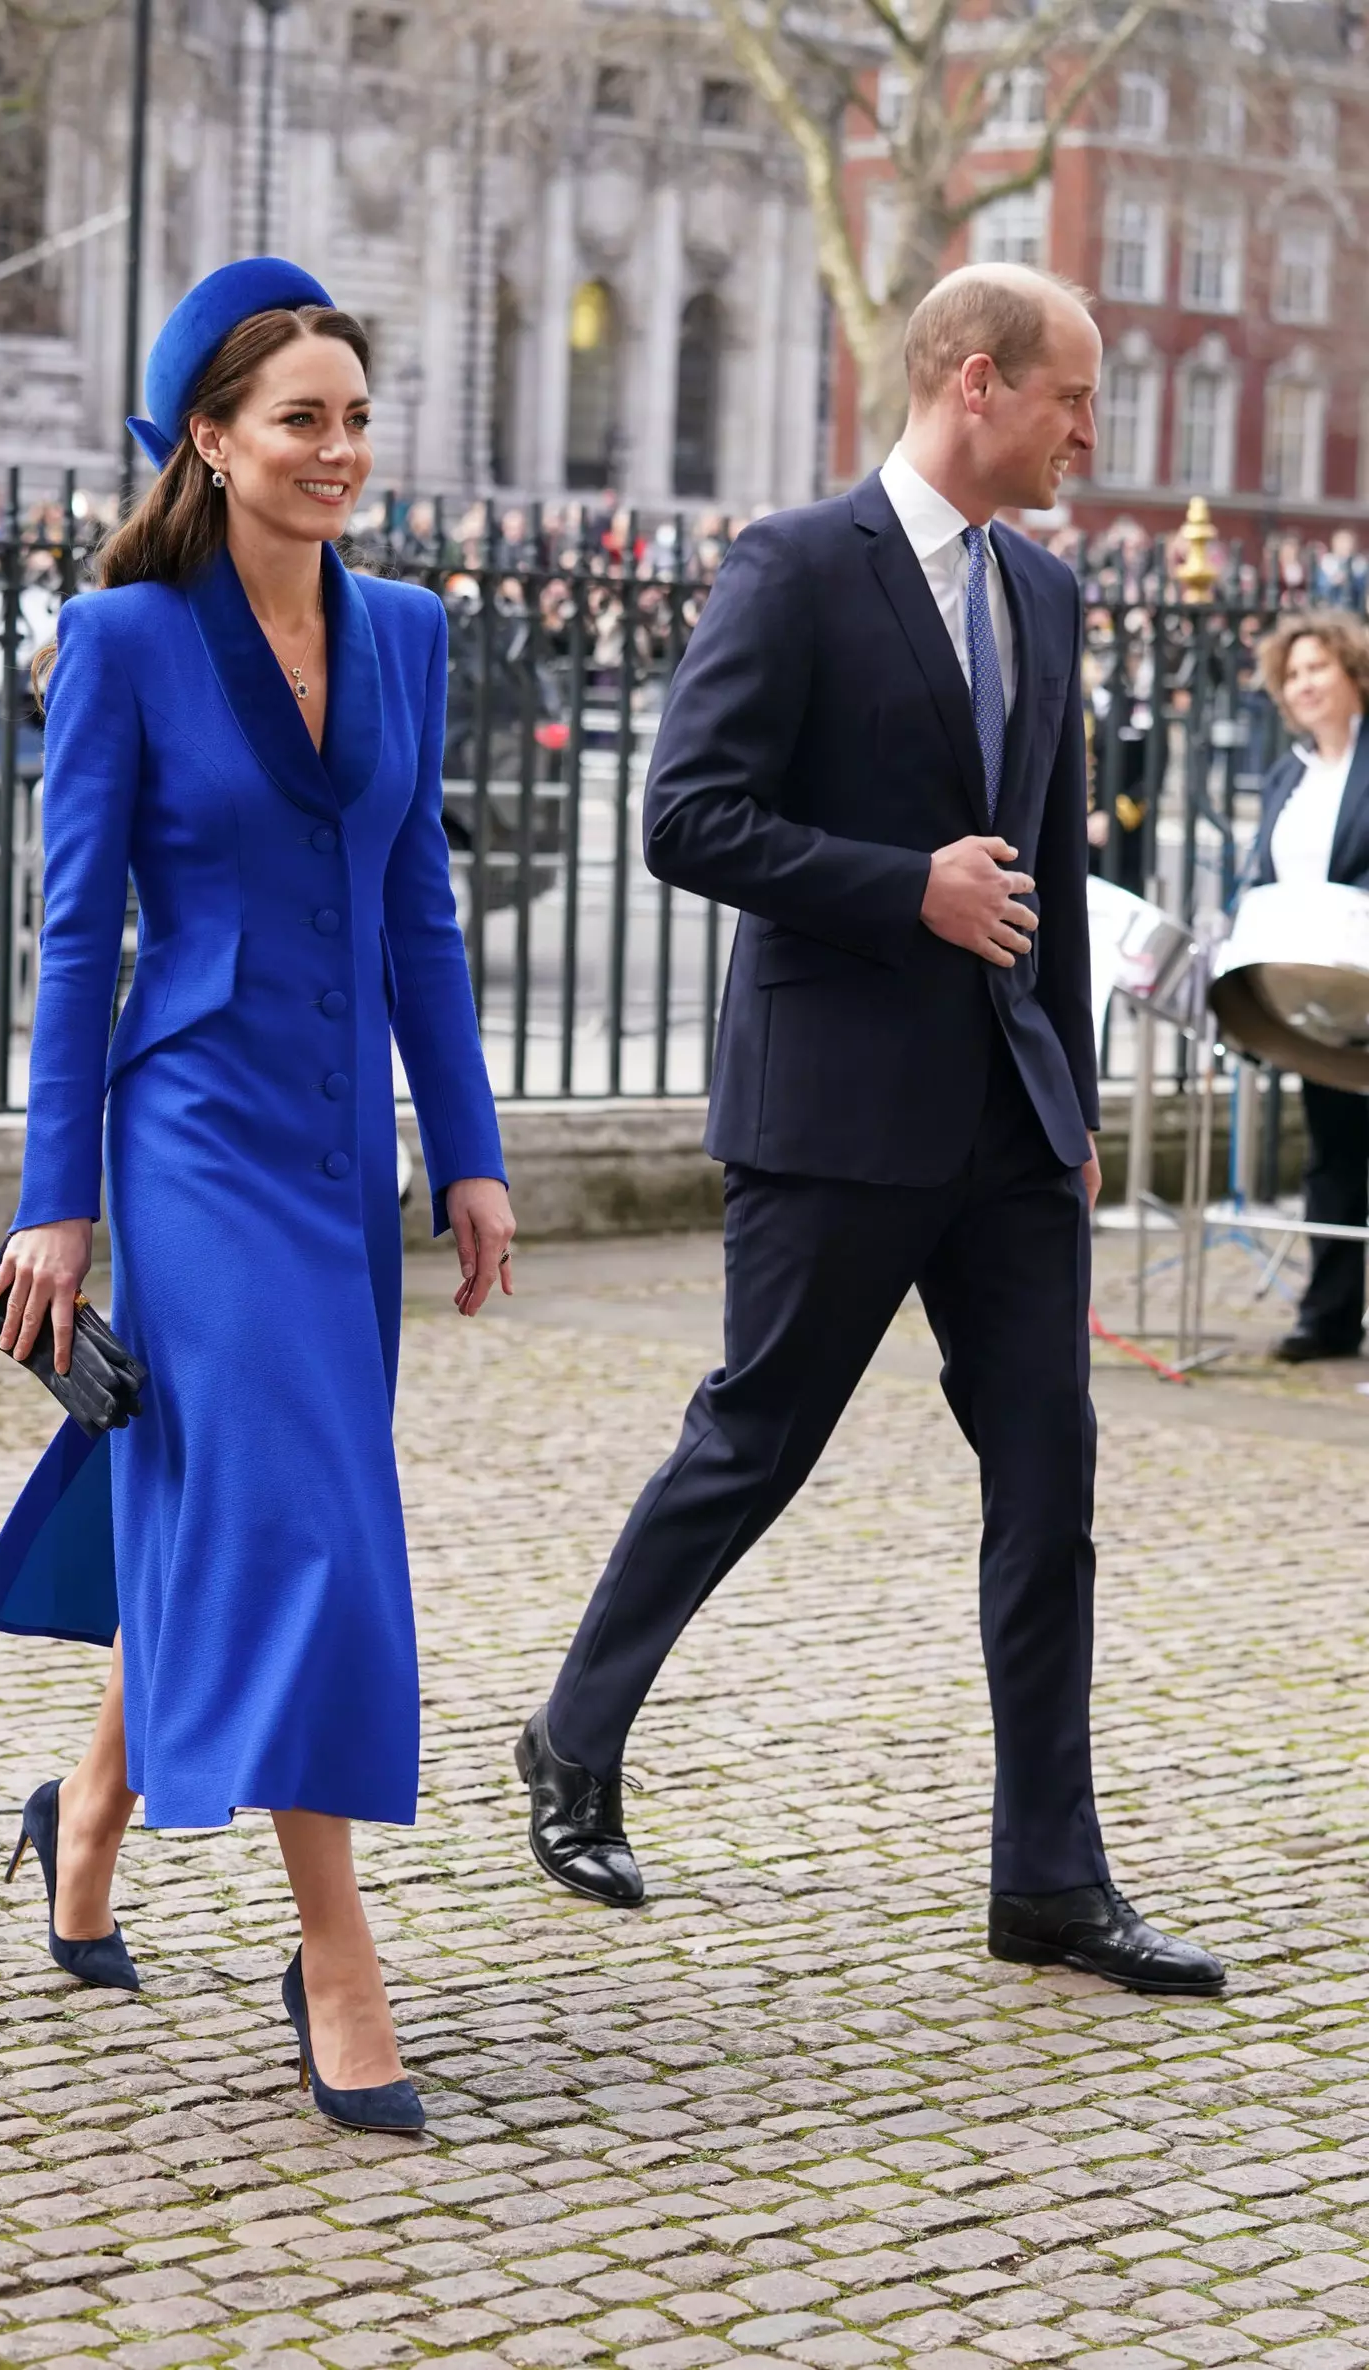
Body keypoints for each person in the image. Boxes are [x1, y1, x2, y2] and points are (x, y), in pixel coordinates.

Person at [516, 263, 1224, 1998]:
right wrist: (900, 890)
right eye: (1072, 395)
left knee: (1050, 1490)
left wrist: (1067, 1104)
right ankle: (570, 1738)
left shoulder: (1048, 594)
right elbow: (689, 818)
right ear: (973, 382)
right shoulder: (794, 566)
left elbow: (1046, 870)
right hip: (835, 1114)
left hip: (1005, 1129)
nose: (1089, 430)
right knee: (755, 1440)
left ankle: (1048, 1879)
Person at [0, 259, 516, 2133]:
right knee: (305, 1524)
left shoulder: (414, 633)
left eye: (357, 418)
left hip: (337, 1149)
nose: (340, 450)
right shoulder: (122, 639)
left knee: (221, 1494)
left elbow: (421, 916)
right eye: (302, 419)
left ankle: (87, 1817)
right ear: (210, 435)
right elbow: (73, 935)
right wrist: (59, 1202)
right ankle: (335, 1959)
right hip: (186, 1134)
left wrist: (477, 1149)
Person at [1250, 611, 1369, 1361]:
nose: (1305, 685)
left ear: (1354, 671)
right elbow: (1263, 878)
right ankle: (1329, 1317)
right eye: (1293, 675)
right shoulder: (1284, 775)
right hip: (1320, 996)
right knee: (1331, 1152)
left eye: (1318, 667)